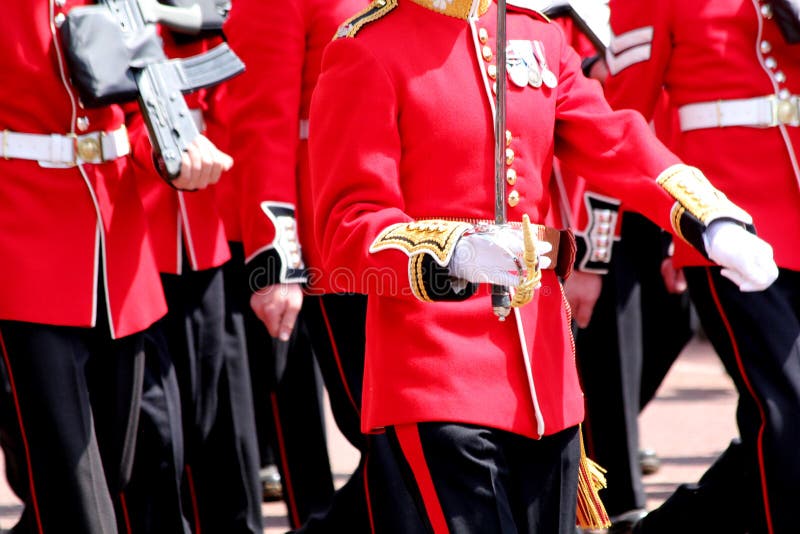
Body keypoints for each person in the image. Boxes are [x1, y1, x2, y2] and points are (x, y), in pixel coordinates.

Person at [307, 0, 778, 532]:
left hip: (544, 380)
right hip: (437, 373)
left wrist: (709, 217)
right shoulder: (368, 47)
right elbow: (347, 224)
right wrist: (455, 250)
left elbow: (615, 140)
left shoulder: (536, 35)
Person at [0, 3, 230, 533]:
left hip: (116, 248)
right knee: (75, 491)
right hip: (24, 248)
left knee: (116, 468)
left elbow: (138, 105)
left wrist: (173, 152)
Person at [222, 0, 425, 531]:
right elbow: (263, 125)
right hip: (338, 246)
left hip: (419, 236)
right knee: (387, 436)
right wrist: (277, 262)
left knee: (421, 437)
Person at [603, 1, 800, 533]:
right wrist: (594, 251)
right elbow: (614, 123)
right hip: (727, 227)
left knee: (778, 428)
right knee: (789, 409)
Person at [123, 26, 265, 533]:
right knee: (155, 435)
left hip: (205, 225)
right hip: (135, 231)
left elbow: (240, 102)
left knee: (215, 423)